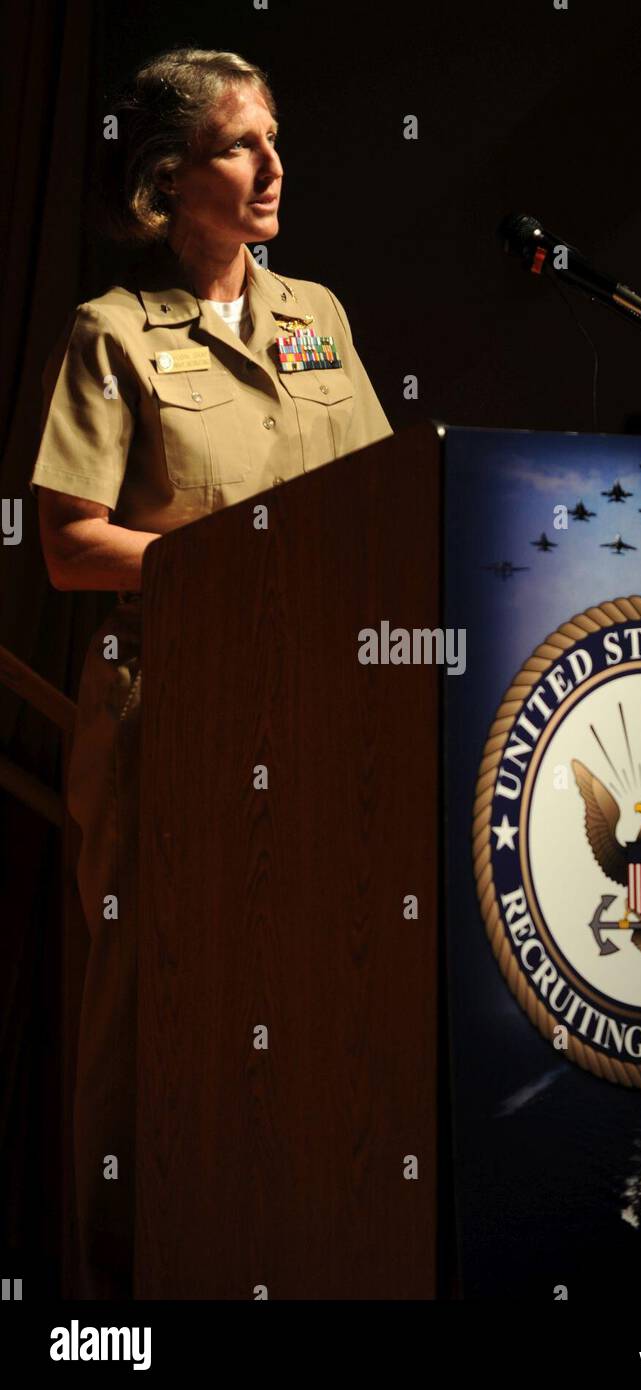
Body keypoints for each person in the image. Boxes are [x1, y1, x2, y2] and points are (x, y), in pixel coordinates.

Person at [28, 47, 392, 1299]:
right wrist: (228, 567)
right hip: (163, 716)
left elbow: (380, 509)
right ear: (168, 178)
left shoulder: (320, 321)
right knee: (146, 1033)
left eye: (274, 139)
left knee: (308, 1009)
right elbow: (70, 545)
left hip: (310, 719)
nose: (273, 166)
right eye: (241, 146)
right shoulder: (114, 333)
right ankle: (114, 1308)